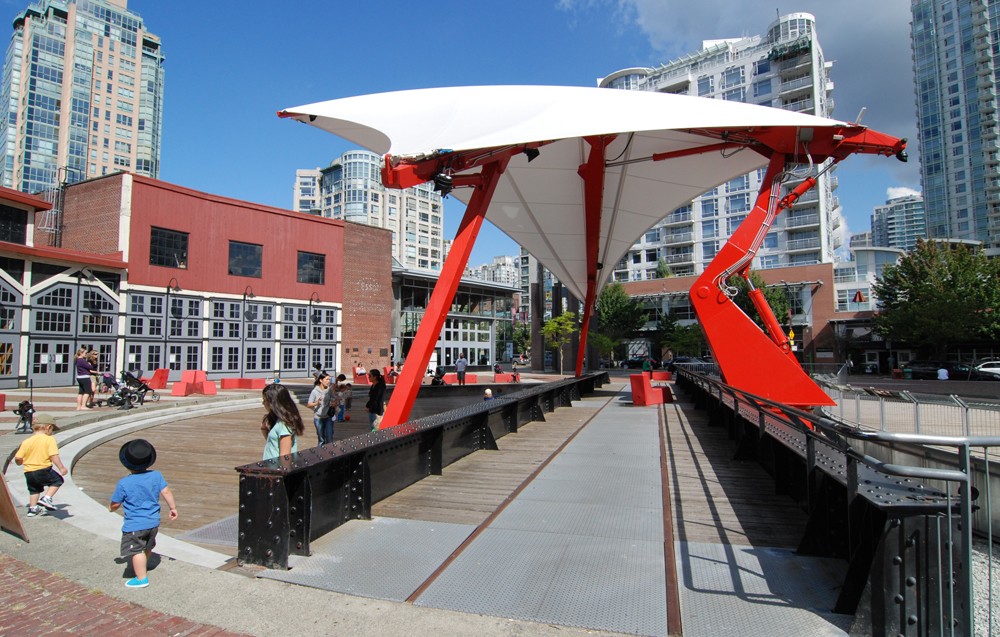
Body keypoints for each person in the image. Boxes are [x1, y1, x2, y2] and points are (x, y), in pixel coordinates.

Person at [109, 439, 177, 589]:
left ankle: (141, 578)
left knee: (136, 550)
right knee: (147, 546)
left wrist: (111, 508)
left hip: (135, 524)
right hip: (153, 521)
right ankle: (143, 566)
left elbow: (115, 503)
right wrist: (173, 508)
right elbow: (166, 491)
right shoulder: (156, 475)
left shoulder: (124, 483)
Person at [14, 413, 67, 517]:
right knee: (57, 480)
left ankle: (32, 509)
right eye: (52, 430)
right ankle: (47, 498)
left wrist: (20, 463)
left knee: (34, 489)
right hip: (43, 469)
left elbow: (18, 458)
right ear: (48, 427)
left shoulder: (27, 441)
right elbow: (53, 455)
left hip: (28, 471)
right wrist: (61, 467)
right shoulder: (49, 439)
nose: (52, 432)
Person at [260, 384, 304, 460]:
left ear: (273, 403)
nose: (263, 403)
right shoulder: (279, 422)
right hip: (269, 465)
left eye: (265, 400)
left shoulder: (284, 425)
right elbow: (273, 444)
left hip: (276, 466)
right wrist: (263, 428)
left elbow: (285, 457)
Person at [307, 373, 334, 445]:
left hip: (328, 416)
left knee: (329, 438)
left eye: (329, 379)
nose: (328, 381)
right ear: (321, 380)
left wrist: (334, 401)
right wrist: (317, 402)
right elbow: (309, 404)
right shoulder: (315, 391)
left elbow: (334, 398)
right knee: (321, 439)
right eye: (327, 379)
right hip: (318, 418)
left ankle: (329, 451)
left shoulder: (329, 389)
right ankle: (321, 451)